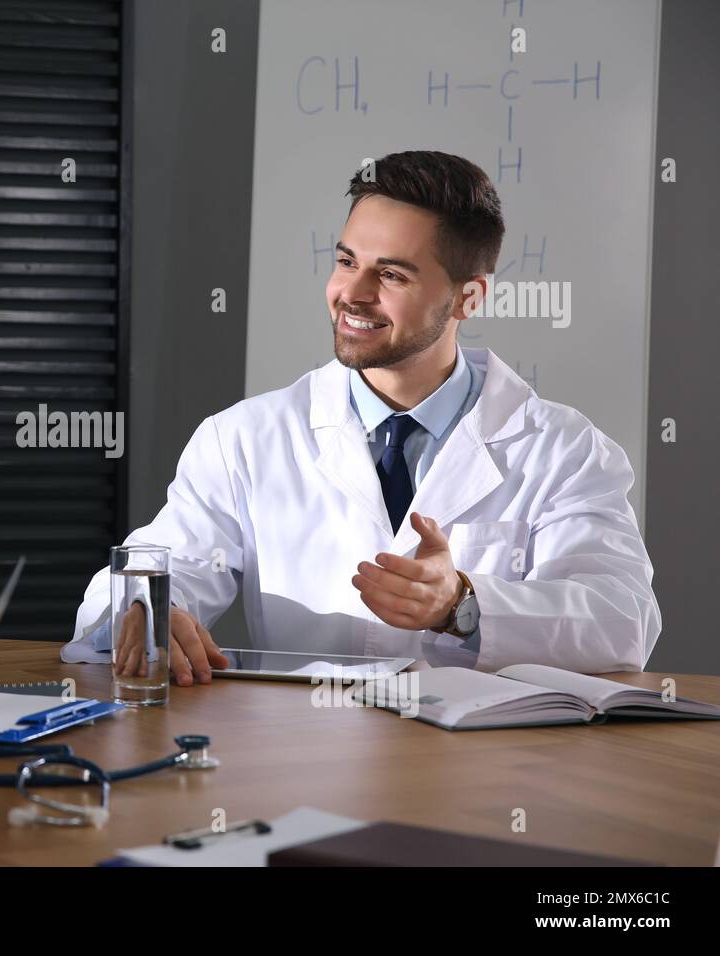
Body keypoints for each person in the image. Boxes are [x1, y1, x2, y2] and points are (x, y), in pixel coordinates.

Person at [65, 150, 661, 680]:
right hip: (304, 767)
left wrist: (463, 604)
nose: (353, 293)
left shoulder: (563, 448)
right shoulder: (244, 438)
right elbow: (154, 574)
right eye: (347, 261)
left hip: (484, 780)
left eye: (392, 274)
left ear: (468, 298)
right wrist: (145, 608)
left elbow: (622, 621)